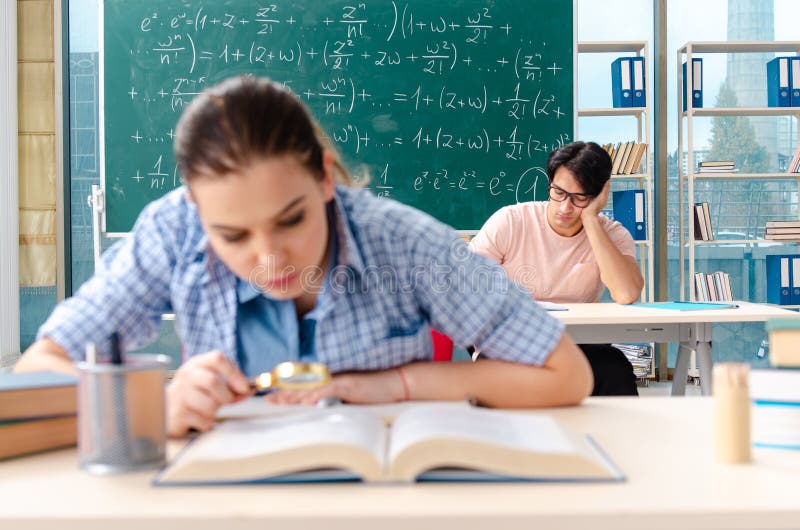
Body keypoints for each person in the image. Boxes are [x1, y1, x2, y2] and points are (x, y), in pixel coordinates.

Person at [15, 75, 593, 437]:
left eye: (290, 219)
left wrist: (397, 384)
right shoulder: (171, 230)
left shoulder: (405, 241)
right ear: (197, 211)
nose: (269, 258)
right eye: (233, 235)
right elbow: (38, 365)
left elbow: (565, 374)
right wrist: (153, 406)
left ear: (322, 177)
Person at [469, 141, 643, 396]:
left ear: (598, 196)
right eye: (558, 192)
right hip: (510, 341)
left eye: (579, 198)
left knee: (615, 369)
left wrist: (592, 221)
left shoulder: (613, 235)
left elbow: (626, 293)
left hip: (577, 344)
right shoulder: (511, 221)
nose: (565, 207)